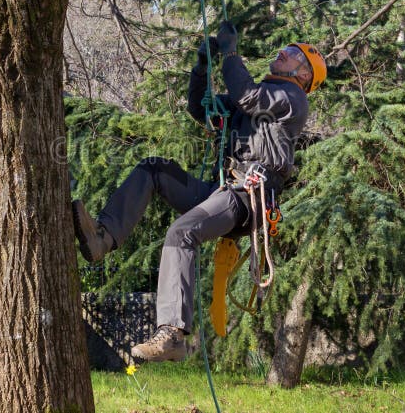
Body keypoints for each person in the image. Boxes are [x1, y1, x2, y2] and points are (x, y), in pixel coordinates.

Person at [72, 21, 326, 362]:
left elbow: (246, 94)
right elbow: (200, 108)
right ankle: (102, 238)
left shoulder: (291, 98)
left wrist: (231, 54)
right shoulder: (260, 98)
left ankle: (172, 334)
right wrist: (202, 68)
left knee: (181, 232)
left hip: (245, 197)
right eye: (286, 49)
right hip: (222, 190)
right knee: (154, 169)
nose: (282, 53)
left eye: (293, 54)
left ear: (305, 75)